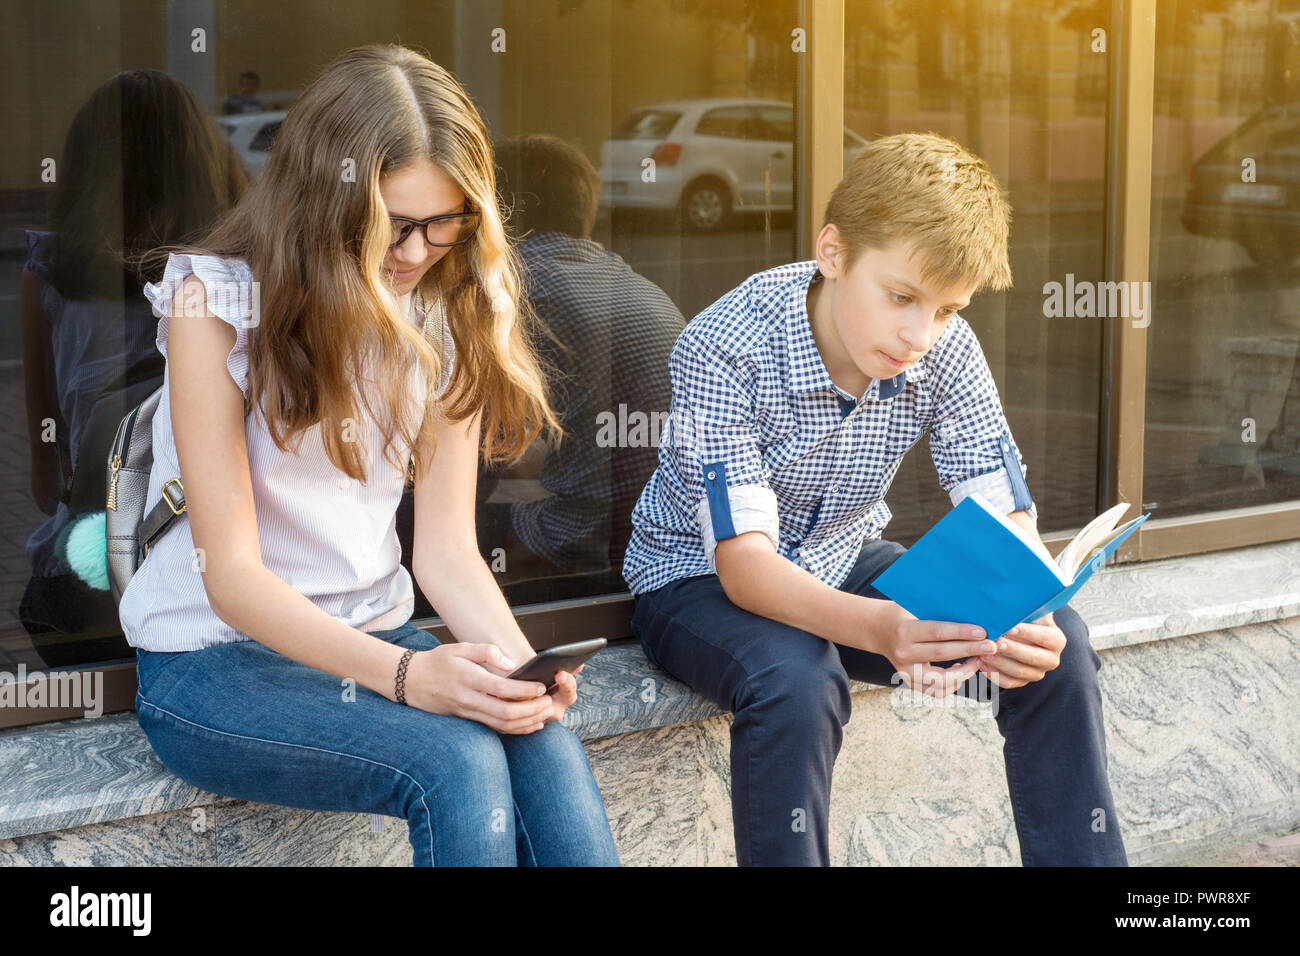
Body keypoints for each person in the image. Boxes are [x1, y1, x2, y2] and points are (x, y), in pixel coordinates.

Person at [121, 43, 619, 867]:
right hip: (213, 661)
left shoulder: (450, 301)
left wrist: (524, 671)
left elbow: (449, 552)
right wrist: (406, 678)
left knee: (545, 745)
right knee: (455, 764)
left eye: (445, 222)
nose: (420, 251)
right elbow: (233, 577)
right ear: (324, 201)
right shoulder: (216, 298)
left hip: (374, 633)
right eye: (395, 225)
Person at [622, 132, 1128, 867]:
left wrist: (1023, 608)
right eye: (901, 298)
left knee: (1058, 651)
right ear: (833, 252)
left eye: (947, 310)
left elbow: (1002, 505)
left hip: (841, 555)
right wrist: (882, 630)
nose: (919, 334)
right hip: (695, 582)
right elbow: (745, 566)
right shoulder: (722, 345)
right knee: (798, 681)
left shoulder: (943, 345)